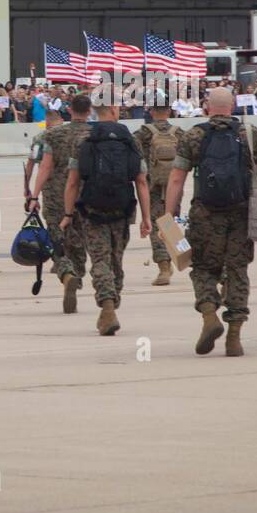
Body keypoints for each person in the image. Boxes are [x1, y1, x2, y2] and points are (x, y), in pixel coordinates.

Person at [166, 86, 257, 357]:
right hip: (242, 215)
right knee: (238, 271)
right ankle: (234, 337)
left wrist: (169, 217)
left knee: (203, 268)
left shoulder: (194, 135)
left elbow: (176, 179)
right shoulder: (249, 134)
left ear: (207, 107)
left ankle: (209, 315)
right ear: (233, 106)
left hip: (205, 214)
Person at [61, 102, 151, 336]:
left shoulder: (83, 141)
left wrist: (68, 214)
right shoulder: (131, 140)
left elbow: (72, 182)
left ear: (95, 113)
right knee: (115, 260)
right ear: (113, 111)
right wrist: (146, 218)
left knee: (99, 259)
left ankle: (107, 305)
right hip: (123, 209)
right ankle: (111, 303)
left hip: (92, 209)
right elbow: (141, 182)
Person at [29, 94, 93, 313]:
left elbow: (44, 168)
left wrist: (33, 196)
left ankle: (66, 274)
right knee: (80, 240)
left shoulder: (53, 136)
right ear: (89, 110)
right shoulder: (94, 135)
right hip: (86, 197)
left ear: (70, 110)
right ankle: (77, 273)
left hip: (56, 197)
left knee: (57, 239)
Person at [134, 94, 181, 286]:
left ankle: (164, 266)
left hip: (151, 185)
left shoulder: (143, 133)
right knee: (170, 222)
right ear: (168, 111)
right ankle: (182, 256)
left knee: (156, 224)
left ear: (152, 112)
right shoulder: (179, 133)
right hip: (174, 185)